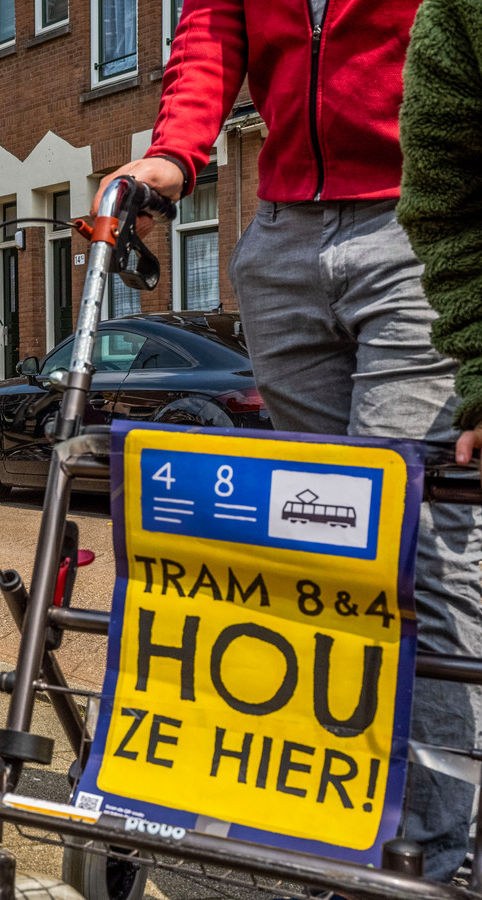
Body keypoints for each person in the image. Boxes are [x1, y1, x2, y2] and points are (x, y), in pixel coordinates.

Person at [98, 0, 482, 881]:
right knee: (317, 548)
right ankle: (333, 820)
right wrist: (173, 152)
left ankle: (433, 846)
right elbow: (208, 34)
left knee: (421, 543)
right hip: (281, 232)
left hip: (417, 217)